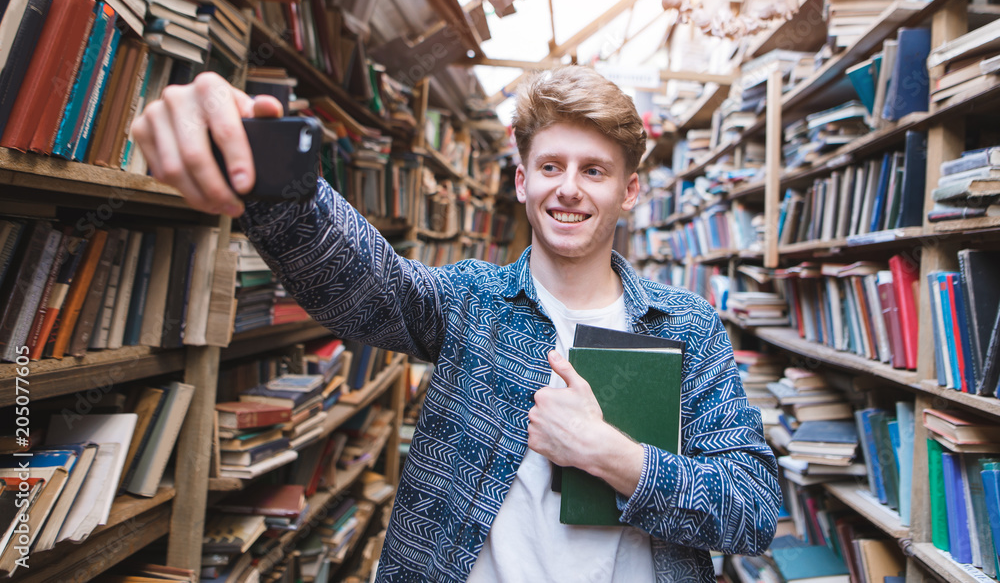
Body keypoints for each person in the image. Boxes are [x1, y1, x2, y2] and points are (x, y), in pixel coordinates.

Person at [132, 65, 780, 582]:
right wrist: (267, 168)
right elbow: (362, 282)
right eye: (551, 167)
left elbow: (750, 511)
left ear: (629, 191)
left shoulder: (686, 326)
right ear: (522, 181)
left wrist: (608, 454)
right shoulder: (472, 301)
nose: (570, 189)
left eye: (595, 171)